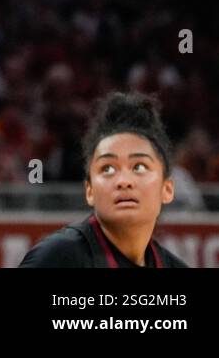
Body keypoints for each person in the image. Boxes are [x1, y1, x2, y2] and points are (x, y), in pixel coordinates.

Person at [19, 93, 187, 268]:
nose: (123, 181)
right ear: (89, 191)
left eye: (139, 167)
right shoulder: (56, 258)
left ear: (167, 189)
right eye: (108, 168)